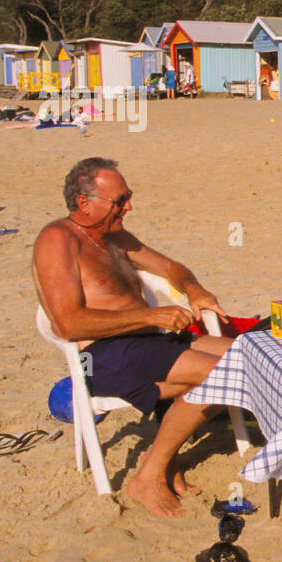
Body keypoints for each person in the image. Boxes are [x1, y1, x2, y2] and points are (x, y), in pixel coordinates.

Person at [31, 158, 233, 517]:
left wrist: (193, 289)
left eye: (128, 197)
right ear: (83, 203)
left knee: (248, 357)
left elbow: (171, 268)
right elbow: (67, 324)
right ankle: (149, 474)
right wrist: (151, 315)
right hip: (104, 354)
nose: (129, 207)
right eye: (120, 200)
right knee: (224, 375)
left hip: (147, 343)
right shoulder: (57, 240)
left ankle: (167, 458)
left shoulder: (113, 238)